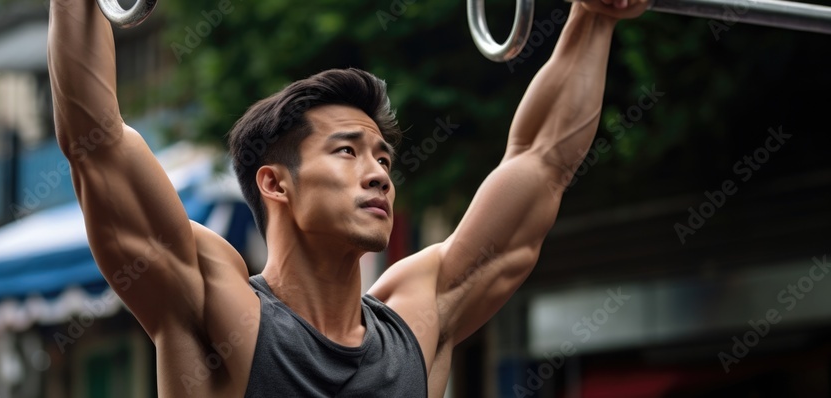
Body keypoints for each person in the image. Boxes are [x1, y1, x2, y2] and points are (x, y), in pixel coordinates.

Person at [47, 0, 648, 396]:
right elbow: (95, 146)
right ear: (275, 182)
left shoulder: (419, 319)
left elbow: (542, 161)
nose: (380, 174)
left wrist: (593, 19)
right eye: (347, 152)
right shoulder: (216, 304)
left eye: (384, 158)